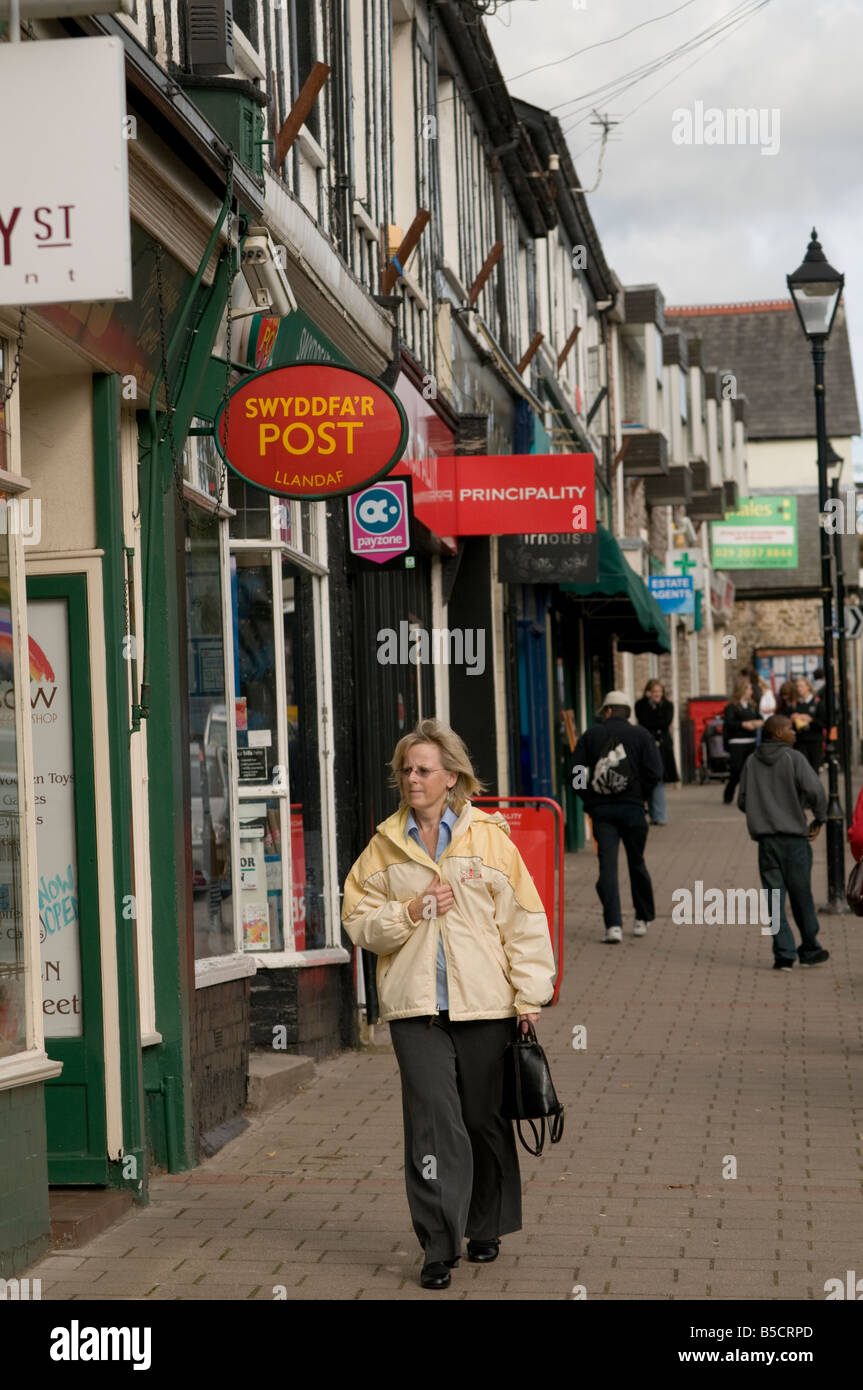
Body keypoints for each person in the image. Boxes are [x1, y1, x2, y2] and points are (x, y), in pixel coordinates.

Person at [342, 718, 555, 1291]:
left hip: (486, 1005)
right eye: (405, 769)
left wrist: (530, 995)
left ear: (451, 776)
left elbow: (525, 923)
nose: (411, 778)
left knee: (483, 1120)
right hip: (417, 1012)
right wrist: (409, 912)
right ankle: (439, 1244)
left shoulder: (489, 840)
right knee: (434, 1127)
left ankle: (487, 1222)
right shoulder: (384, 845)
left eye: (422, 769)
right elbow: (358, 922)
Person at [737, 714, 829, 970]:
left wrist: (763, 812)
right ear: (777, 733)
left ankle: (783, 953)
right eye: (790, 729)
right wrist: (819, 818)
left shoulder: (752, 762)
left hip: (767, 842)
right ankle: (810, 947)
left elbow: (743, 801)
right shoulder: (793, 758)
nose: (795, 732)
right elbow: (815, 791)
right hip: (794, 840)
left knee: (774, 899)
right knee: (801, 896)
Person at [571, 690, 663, 943]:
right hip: (633, 810)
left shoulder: (592, 735)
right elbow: (655, 772)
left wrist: (588, 797)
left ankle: (613, 925)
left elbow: (576, 769)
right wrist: (640, 795)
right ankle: (642, 918)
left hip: (602, 811)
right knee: (637, 862)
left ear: (608, 711)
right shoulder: (642, 735)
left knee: (607, 866)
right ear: (627, 713)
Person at [634, 679, 679, 825]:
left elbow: (665, 723)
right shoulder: (641, 705)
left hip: (663, 747)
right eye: (654, 692)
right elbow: (644, 720)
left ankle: (659, 815)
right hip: (646, 746)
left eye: (660, 692)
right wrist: (652, 711)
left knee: (659, 779)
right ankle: (650, 813)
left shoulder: (668, 705)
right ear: (648, 693)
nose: (657, 694)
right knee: (647, 779)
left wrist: (654, 713)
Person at [722, 676, 763, 805]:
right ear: (742, 690)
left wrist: (757, 723)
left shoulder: (752, 705)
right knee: (736, 770)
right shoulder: (732, 707)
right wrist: (743, 725)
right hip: (737, 742)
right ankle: (729, 793)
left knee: (750, 770)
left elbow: (760, 718)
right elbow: (729, 723)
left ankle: (748, 797)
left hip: (750, 741)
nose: (751, 691)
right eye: (749, 688)